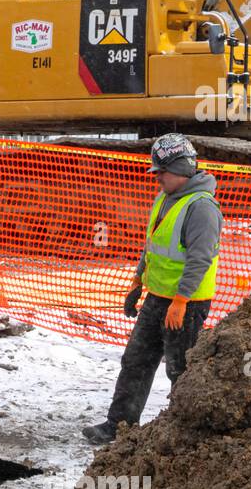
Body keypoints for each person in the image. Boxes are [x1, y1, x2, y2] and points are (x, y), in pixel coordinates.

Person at [82, 133, 222, 445]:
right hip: (157, 298)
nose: (157, 178)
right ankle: (119, 425)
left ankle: (186, 435)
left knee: (180, 370)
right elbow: (153, 246)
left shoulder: (201, 208)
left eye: (162, 172)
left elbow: (200, 260)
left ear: (182, 169)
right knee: (136, 360)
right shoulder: (165, 198)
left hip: (186, 305)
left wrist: (181, 301)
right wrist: (137, 282)